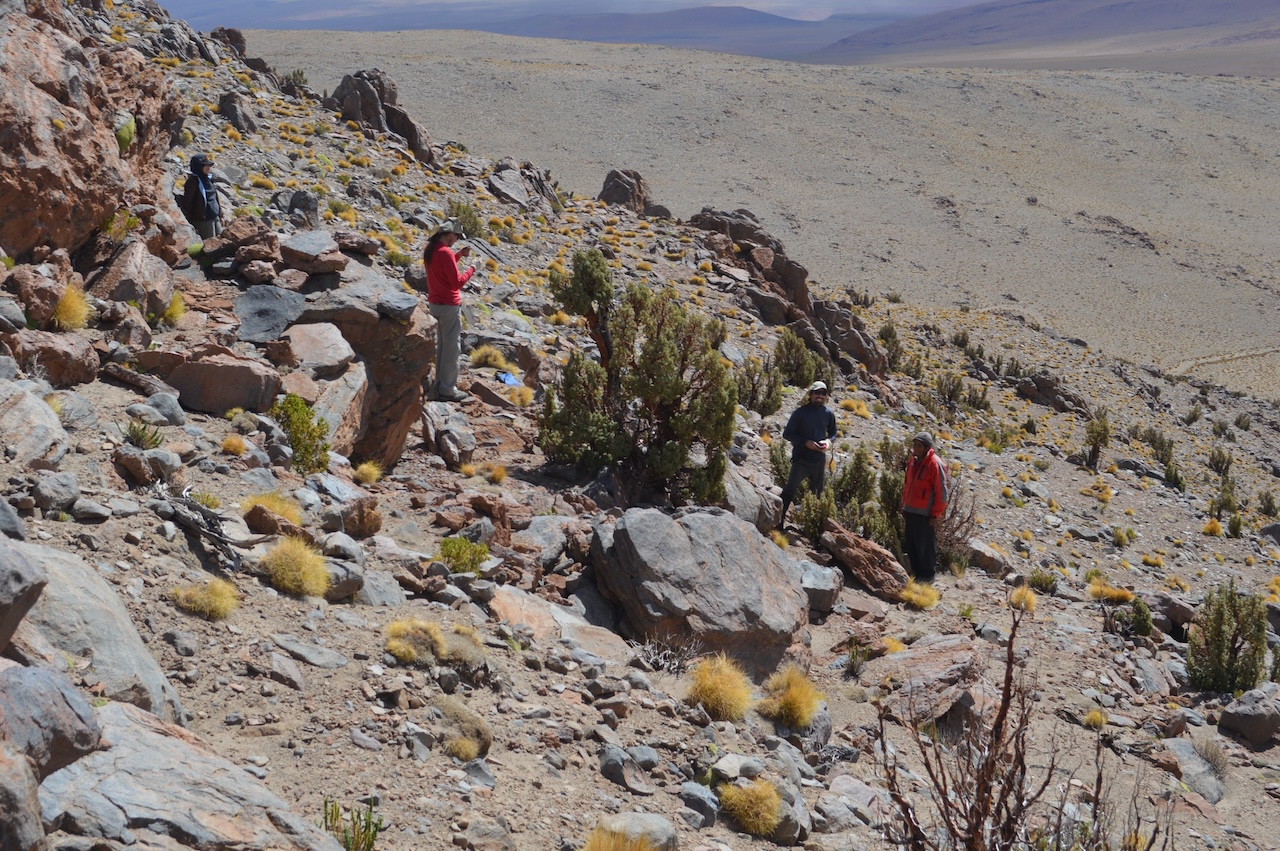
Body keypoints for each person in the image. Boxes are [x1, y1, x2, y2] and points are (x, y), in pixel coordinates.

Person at [424, 219, 477, 402]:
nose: (456, 240)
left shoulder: (431, 250)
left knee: (442, 347)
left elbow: (445, 264)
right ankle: (447, 388)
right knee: (452, 348)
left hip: (435, 305)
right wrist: (473, 268)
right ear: (450, 234)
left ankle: (439, 383)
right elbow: (457, 283)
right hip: (449, 307)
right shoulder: (444, 253)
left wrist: (460, 255)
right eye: (456, 236)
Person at [778, 380, 837, 530]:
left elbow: (833, 433)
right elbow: (787, 434)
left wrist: (828, 443)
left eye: (823, 393)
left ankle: (812, 528)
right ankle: (778, 523)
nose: (820, 396)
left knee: (817, 494)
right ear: (810, 394)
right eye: (817, 392)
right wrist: (805, 442)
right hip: (801, 460)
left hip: (819, 460)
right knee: (789, 491)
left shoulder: (828, 414)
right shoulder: (800, 413)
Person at [901, 431, 949, 583]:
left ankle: (928, 576)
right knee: (912, 544)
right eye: (914, 444)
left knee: (925, 547)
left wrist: (935, 515)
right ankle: (915, 574)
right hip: (910, 509)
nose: (915, 448)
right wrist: (904, 504)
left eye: (919, 445)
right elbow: (907, 483)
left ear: (927, 447)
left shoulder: (935, 464)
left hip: (925, 514)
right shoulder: (913, 462)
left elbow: (942, 493)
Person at [180, 153, 223, 239]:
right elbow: (188, 202)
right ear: (198, 167)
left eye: (209, 165)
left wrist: (221, 215)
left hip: (215, 216)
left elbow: (214, 196)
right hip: (204, 220)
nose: (208, 167)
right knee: (211, 245)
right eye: (205, 165)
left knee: (221, 240)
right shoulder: (193, 182)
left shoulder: (208, 178)